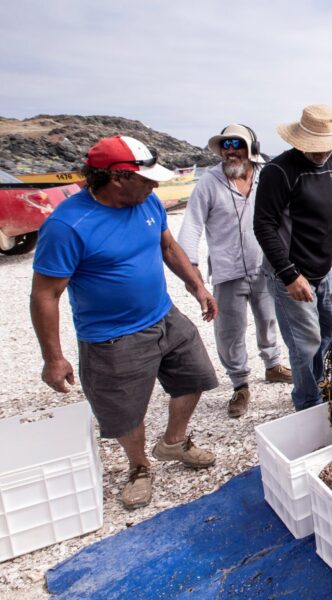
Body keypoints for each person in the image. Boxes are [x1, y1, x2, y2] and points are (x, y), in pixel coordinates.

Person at [30, 135, 220, 510]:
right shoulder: (68, 226)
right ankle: (138, 467)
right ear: (117, 178)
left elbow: (167, 246)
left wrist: (197, 286)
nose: (155, 185)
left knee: (196, 377)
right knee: (125, 409)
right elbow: (45, 295)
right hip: (112, 336)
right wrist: (53, 358)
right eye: (147, 178)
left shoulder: (146, 201)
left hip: (164, 315)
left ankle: (173, 442)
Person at [178, 124, 293, 419]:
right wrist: (191, 268)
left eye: (237, 144)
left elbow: (287, 212)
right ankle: (240, 383)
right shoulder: (209, 182)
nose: (230, 151)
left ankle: (272, 365)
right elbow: (191, 224)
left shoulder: (267, 174)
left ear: (251, 147)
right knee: (229, 330)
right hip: (227, 270)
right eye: (225, 146)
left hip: (266, 265)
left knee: (269, 319)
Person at [253, 105, 332, 411]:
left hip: (322, 270)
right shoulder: (279, 172)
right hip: (290, 273)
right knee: (305, 344)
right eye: (314, 147)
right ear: (299, 141)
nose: (321, 152)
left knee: (327, 332)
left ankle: (320, 383)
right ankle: (306, 402)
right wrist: (289, 274)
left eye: (326, 145)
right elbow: (264, 226)